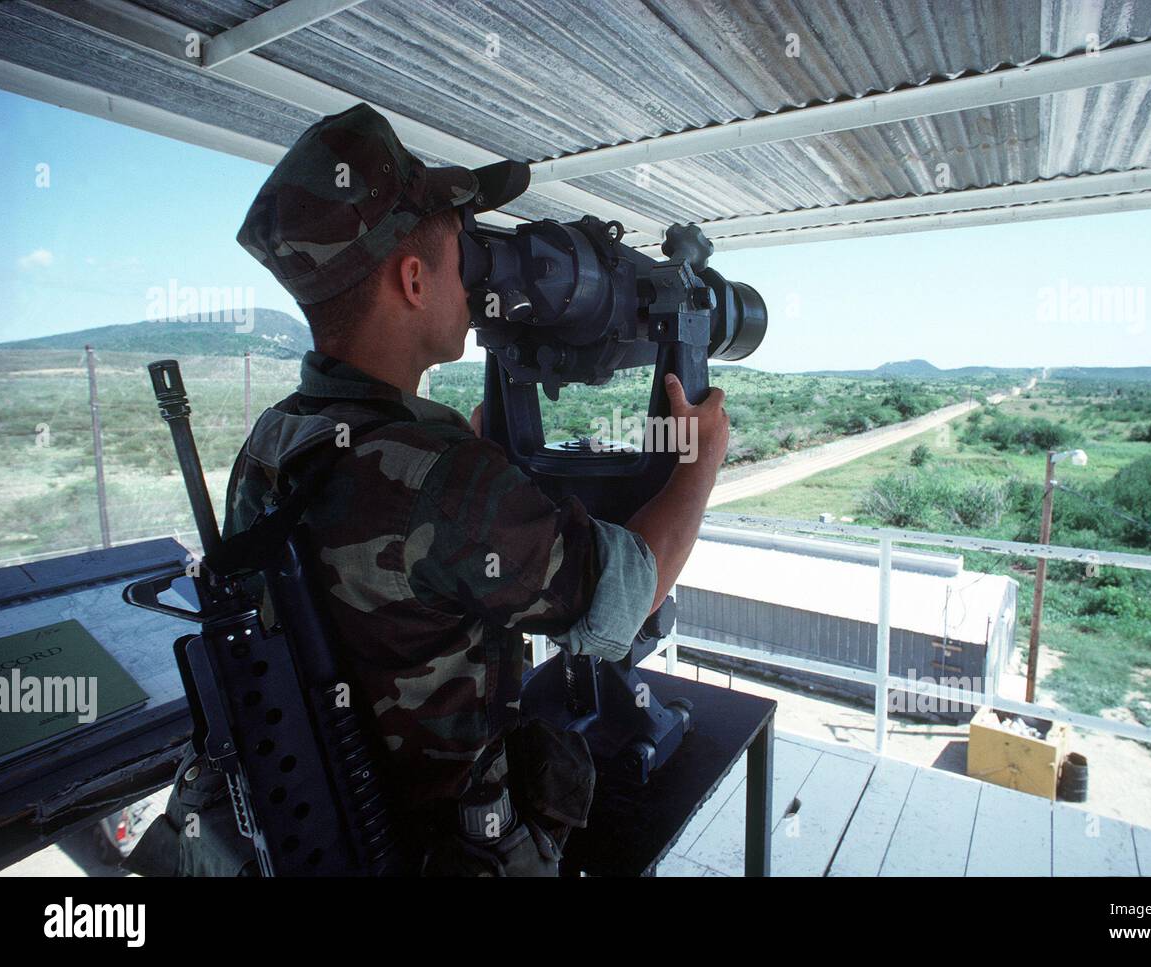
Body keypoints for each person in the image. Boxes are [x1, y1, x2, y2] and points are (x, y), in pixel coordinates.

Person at [130, 103, 728, 877]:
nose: (474, 283)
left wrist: (469, 478)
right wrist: (699, 459)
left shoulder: (275, 441)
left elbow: (395, 575)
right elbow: (626, 592)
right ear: (413, 280)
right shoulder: (441, 478)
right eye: (460, 258)